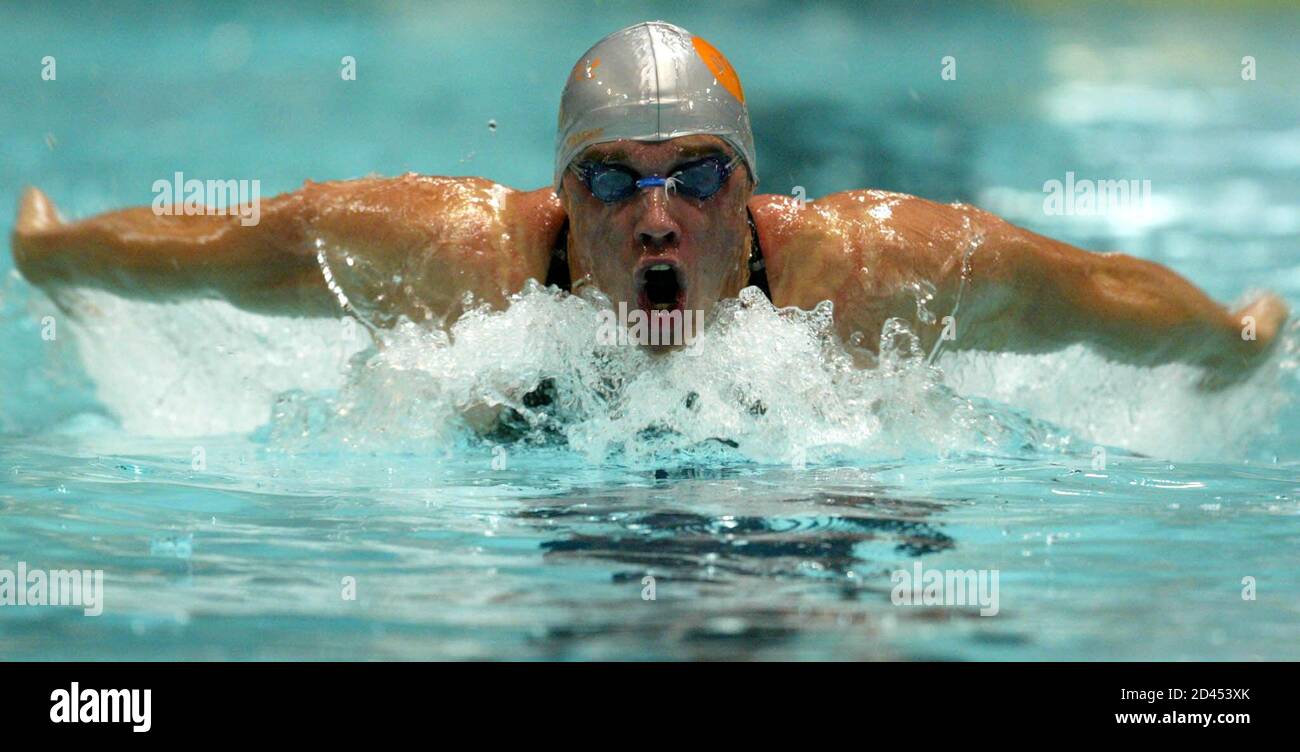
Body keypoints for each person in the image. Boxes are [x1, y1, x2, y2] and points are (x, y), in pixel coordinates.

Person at [11, 21, 1287, 388]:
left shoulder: (870, 271)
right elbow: (231, 249)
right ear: (564, 196)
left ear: (752, 193)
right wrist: (62, 254)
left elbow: (1096, 292)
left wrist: (1227, 342)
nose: (655, 215)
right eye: (614, 181)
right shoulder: (461, 255)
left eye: (697, 175)